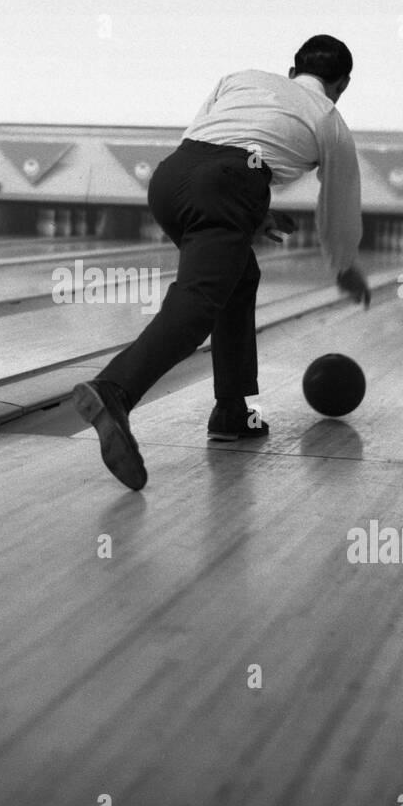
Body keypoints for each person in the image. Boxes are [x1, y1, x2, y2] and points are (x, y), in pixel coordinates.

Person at [73, 34, 371, 490]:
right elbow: (340, 205)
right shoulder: (330, 118)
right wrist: (345, 265)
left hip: (171, 179)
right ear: (343, 83)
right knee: (198, 303)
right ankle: (114, 389)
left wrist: (248, 211)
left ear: (293, 72)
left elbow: (203, 145)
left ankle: (231, 410)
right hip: (230, 187)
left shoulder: (243, 78)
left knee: (238, 276)